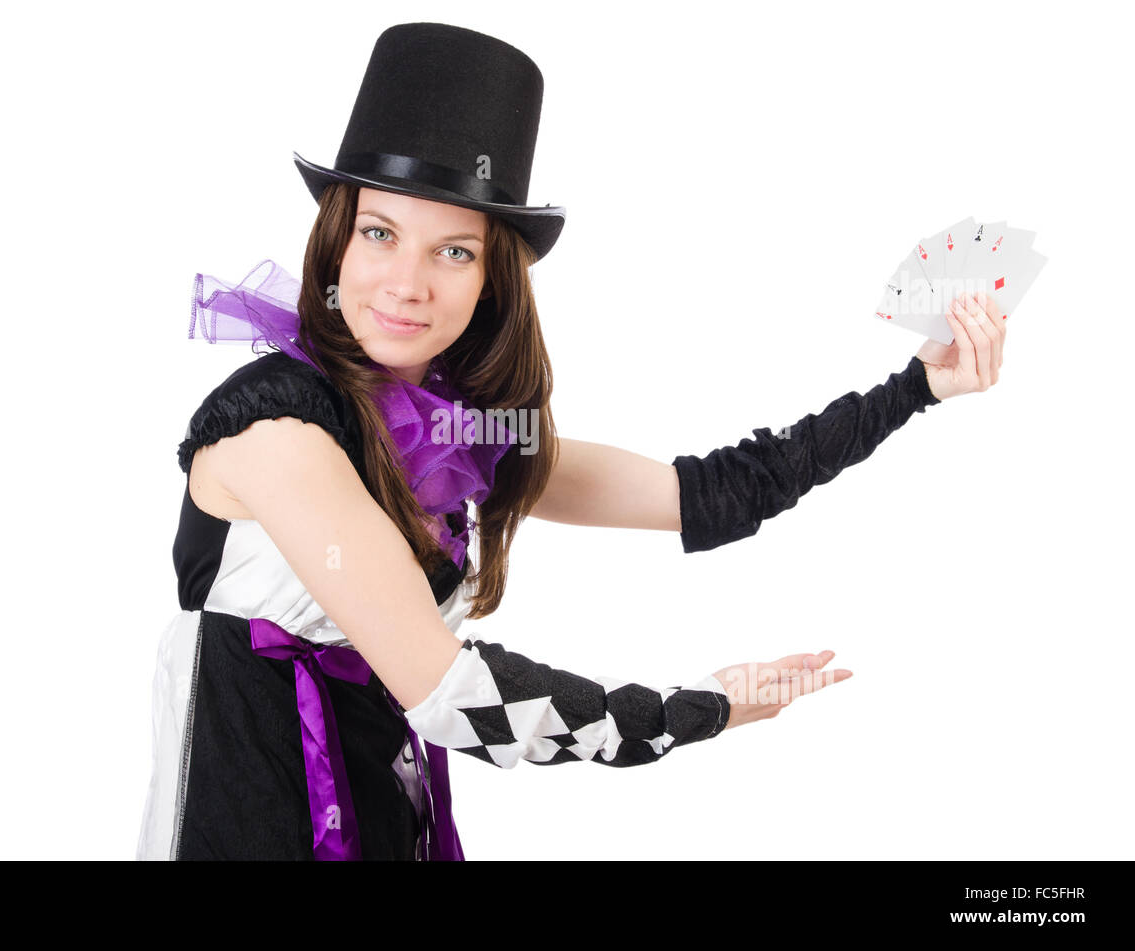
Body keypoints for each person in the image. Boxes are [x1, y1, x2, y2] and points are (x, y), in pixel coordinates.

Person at [135, 22, 1006, 861]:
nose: (405, 283)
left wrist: (915, 389)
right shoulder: (274, 432)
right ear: (336, 241)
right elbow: (452, 695)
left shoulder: (455, 432)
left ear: (491, 280)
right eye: (380, 232)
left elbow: (699, 492)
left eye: (454, 252)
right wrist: (702, 708)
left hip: (385, 819)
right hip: (244, 827)